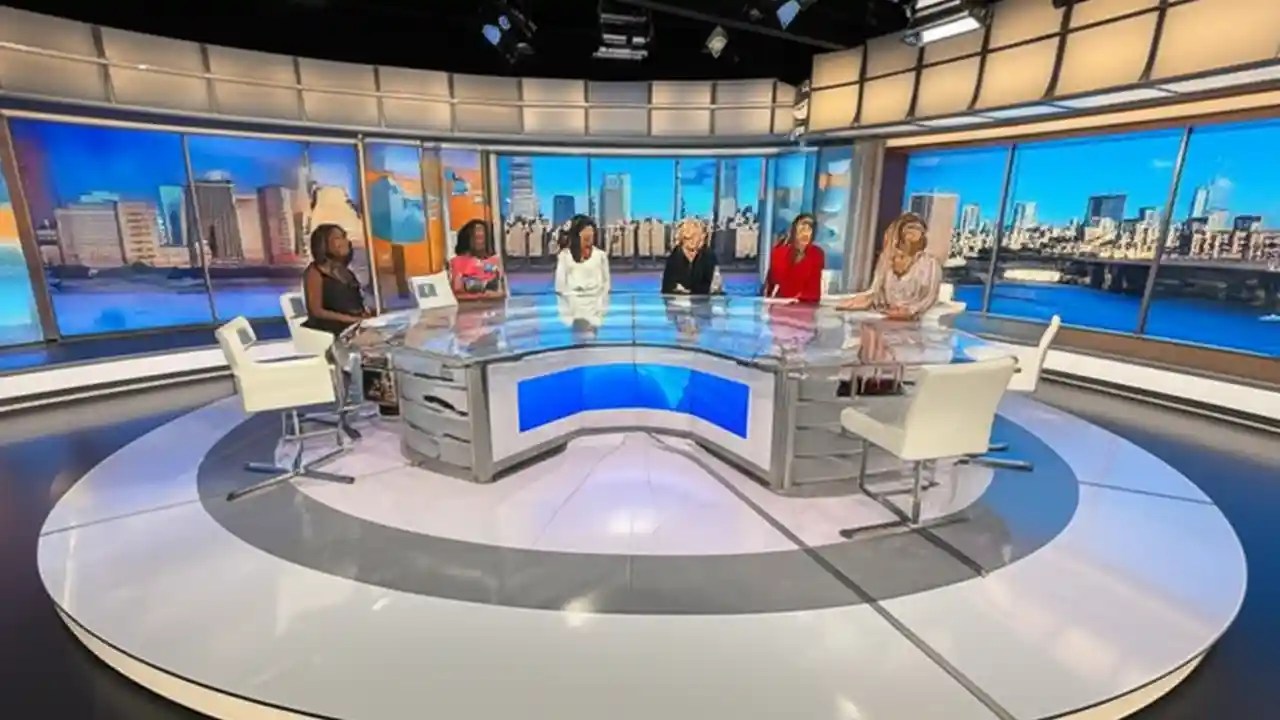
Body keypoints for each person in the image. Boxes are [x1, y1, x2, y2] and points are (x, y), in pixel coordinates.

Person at [837, 212, 941, 320]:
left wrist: (910, 311)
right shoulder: (886, 259)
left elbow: (929, 299)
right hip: (887, 320)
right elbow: (875, 292)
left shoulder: (930, 264)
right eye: (910, 228)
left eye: (917, 229)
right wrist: (854, 302)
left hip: (917, 325)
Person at [302, 223, 369, 336]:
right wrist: (352, 320)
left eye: (345, 237)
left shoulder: (346, 272)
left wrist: (365, 316)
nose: (346, 242)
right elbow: (317, 311)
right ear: (323, 244)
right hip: (329, 331)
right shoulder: (314, 272)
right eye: (338, 238)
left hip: (354, 326)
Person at [764, 214, 824, 303]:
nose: (805, 233)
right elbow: (771, 283)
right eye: (802, 229)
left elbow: (814, 290)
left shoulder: (817, 254)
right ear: (794, 231)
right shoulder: (779, 252)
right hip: (781, 304)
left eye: (809, 229)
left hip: (806, 305)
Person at [555, 214, 611, 295]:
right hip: (572, 301)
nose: (589, 237)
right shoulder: (565, 256)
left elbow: (606, 285)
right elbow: (560, 286)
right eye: (585, 237)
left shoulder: (601, 255)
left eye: (591, 234)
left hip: (595, 302)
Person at [449, 219, 504, 299]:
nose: (481, 241)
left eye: (483, 237)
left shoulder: (495, 260)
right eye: (477, 237)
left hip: (493, 306)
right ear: (467, 239)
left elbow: (502, 291)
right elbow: (457, 288)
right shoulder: (457, 262)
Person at [661, 218, 718, 295]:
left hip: (703, 300)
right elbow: (667, 288)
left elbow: (716, 287)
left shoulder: (708, 255)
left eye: (696, 236)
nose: (693, 241)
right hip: (678, 300)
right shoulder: (674, 257)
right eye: (689, 238)